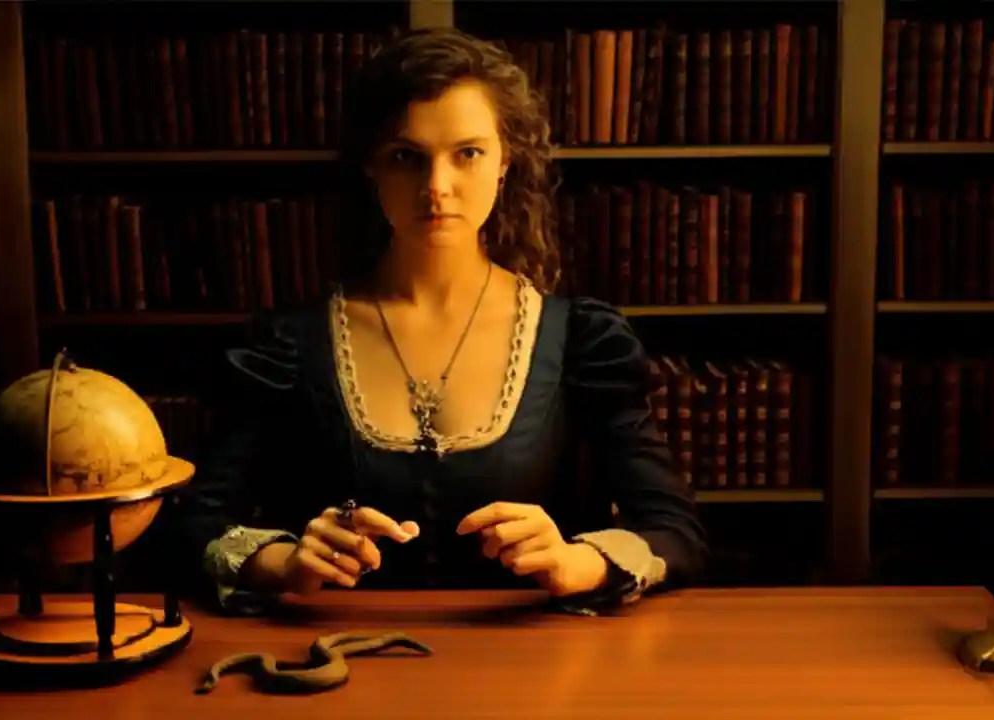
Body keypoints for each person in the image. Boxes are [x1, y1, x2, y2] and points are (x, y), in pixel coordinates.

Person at [177, 28, 707, 616]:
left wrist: (576, 562)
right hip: (338, 668)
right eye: (407, 156)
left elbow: (674, 530)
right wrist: (285, 562)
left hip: (535, 674)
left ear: (506, 162)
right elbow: (197, 523)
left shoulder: (581, 340)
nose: (437, 187)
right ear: (370, 167)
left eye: (468, 154)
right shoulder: (289, 344)